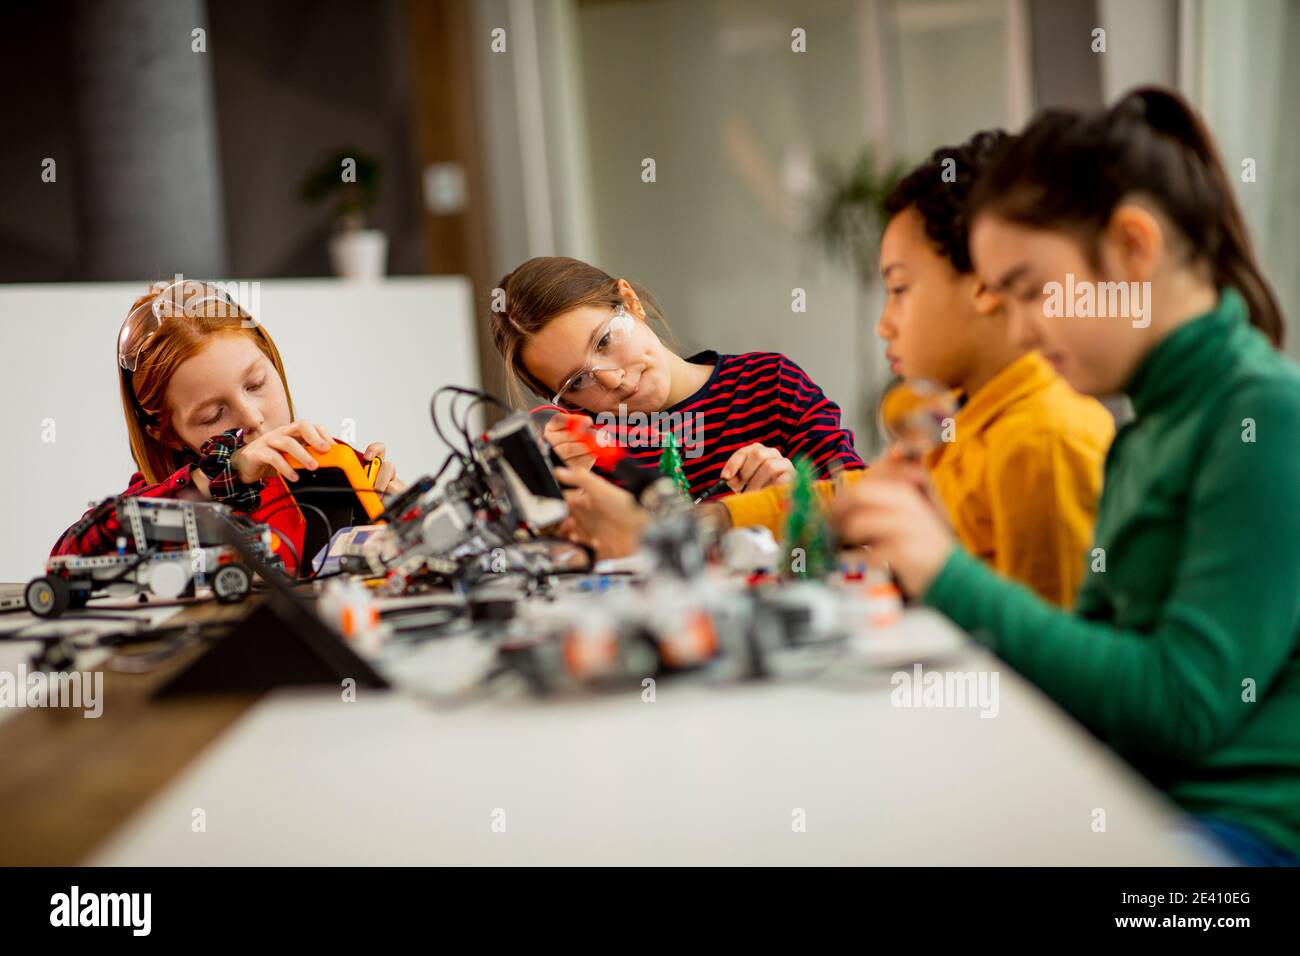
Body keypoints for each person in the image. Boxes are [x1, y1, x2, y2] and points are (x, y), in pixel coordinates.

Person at [833, 88, 1300, 865]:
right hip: (1143, 807)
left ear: (1132, 248)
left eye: (1031, 290)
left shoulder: (1264, 417)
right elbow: (1090, 671)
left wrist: (943, 571)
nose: (1018, 327)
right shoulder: (1145, 430)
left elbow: (1180, 705)